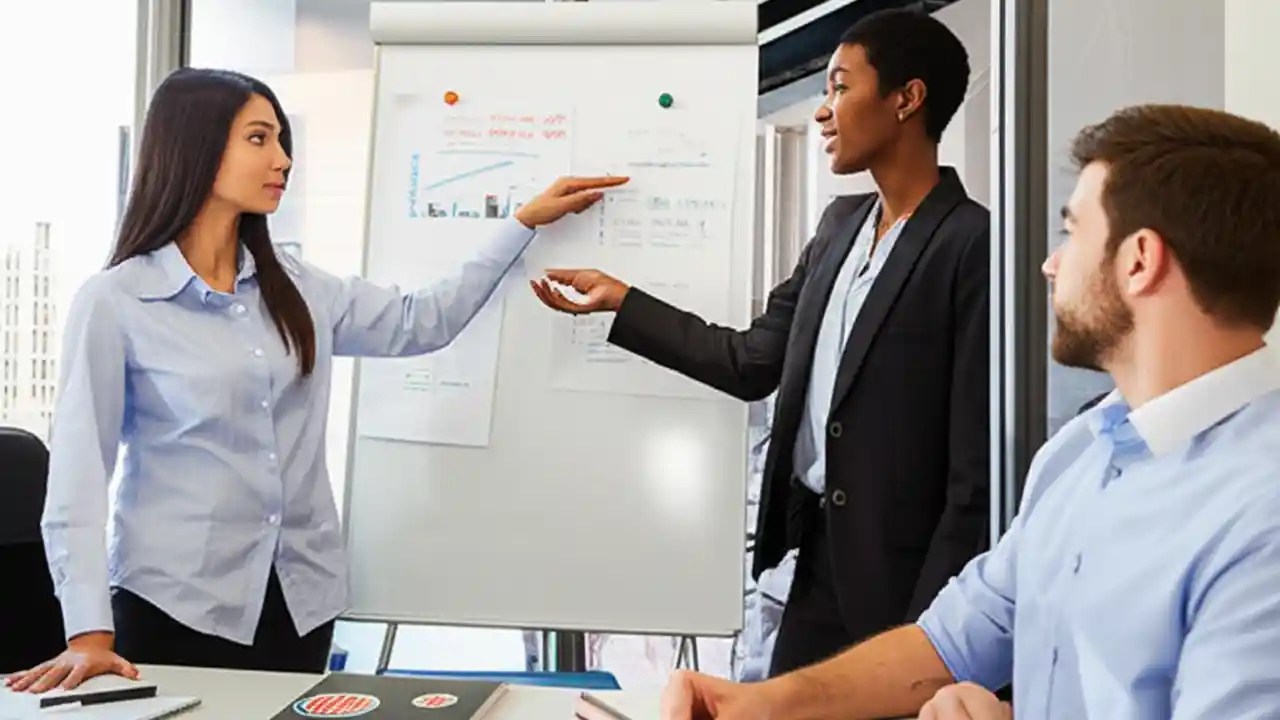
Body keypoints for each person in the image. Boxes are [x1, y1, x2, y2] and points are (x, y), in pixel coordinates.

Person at [4, 67, 626, 693]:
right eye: (258, 139)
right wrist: (88, 632)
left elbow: (420, 323)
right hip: (174, 606)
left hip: (299, 604)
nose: (282, 159)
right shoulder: (117, 301)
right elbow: (80, 476)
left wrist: (521, 224)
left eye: (281, 140)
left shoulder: (296, 286)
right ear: (194, 146)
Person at [659, 103, 1280, 719]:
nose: (1051, 263)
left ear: (1139, 260)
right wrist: (761, 702)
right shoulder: (1079, 452)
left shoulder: (1261, 518)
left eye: (1072, 233)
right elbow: (951, 643)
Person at [532, 8, 988, 675]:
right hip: (815, 565)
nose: (824, 110)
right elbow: (751, 361)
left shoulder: (970, 244)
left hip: (904, 589)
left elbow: (971, 475)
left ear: (906, 99)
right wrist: (623, 301)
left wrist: (934, 629)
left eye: (840, 87)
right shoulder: (839, 227)